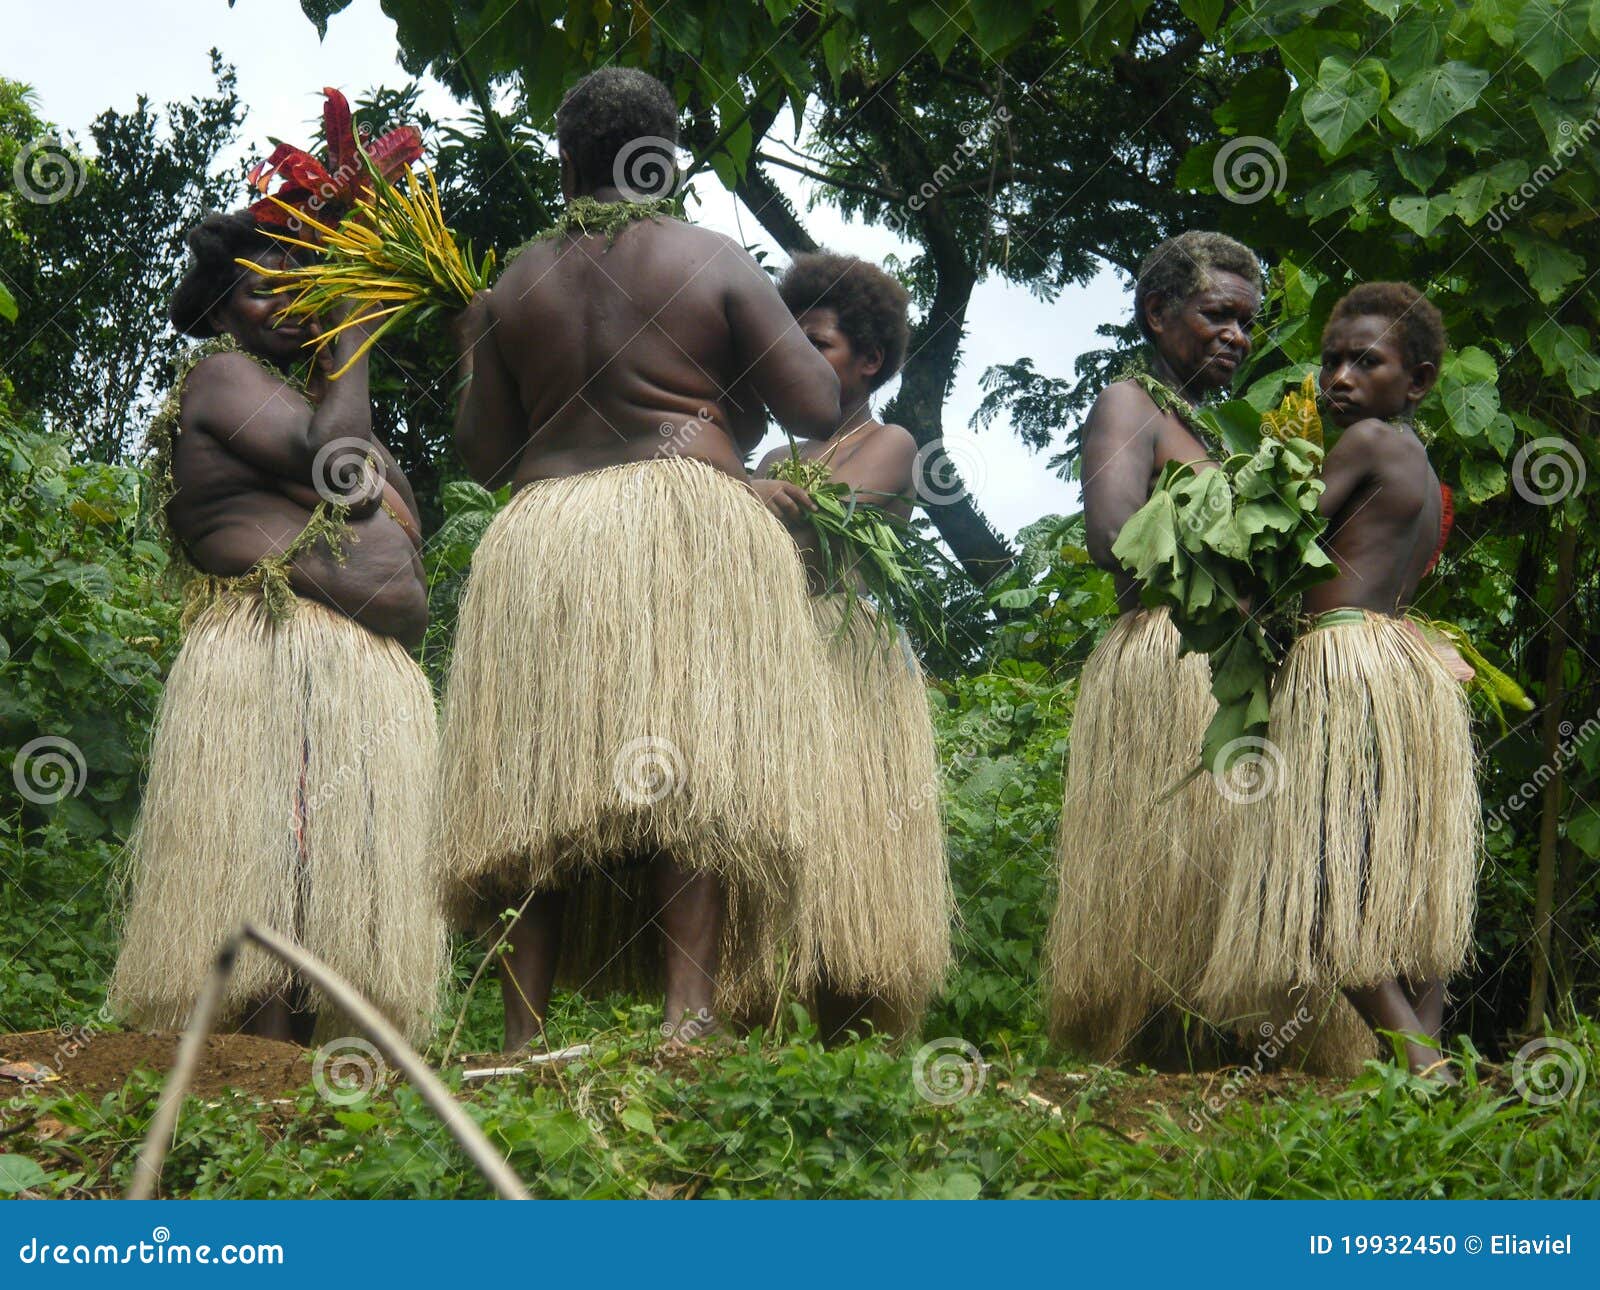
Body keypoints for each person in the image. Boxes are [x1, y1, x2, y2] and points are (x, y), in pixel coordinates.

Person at [439, 68, 844, 1049]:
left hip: (544, 534)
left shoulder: (510, 287)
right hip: (682, 524)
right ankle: (687, 1019)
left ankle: (520, 1041)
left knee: (533, 783)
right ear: (662, 159)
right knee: (689, 772)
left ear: (565, 161)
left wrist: (476, 345)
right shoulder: (714, 260)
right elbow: (817, 409)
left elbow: (483, 457)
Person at [109, 211, 443, 1045]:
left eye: (306, 289)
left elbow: (388, 498)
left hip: (339, 666)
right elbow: (341, 470)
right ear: (222, 308)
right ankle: (257, 1074)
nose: (292, 305)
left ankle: (297, 1073)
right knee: (269, 863)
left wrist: (342, 384)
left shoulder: (303, 393)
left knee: (314, 872)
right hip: (275, 655)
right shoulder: (222, 375)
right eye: (266, 289)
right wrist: (358, 335)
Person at [1201, 283, 1478, 1078]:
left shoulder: (1363, 444)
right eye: (1331, 363)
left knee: (1319, 880)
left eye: (1367, 362)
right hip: (1400, 665)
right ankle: (1427, 1061)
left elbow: (1283, 541)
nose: (1340, 379)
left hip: (1344, 663)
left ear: (1417, 381)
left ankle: (1420, 1065)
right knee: (1401, 873)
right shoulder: (1424, 470)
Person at [749, 251, 952, 1044]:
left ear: (868, 361)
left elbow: (826, 529)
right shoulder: (768, 461)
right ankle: (755, 1037)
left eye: (820, 345)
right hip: (776, 656)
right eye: (792, 344)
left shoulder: (892, 442)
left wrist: (745, 499)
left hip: (851, 652)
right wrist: (750, 487)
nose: (800, 360)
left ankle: (857, 1038)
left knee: (854, 853)